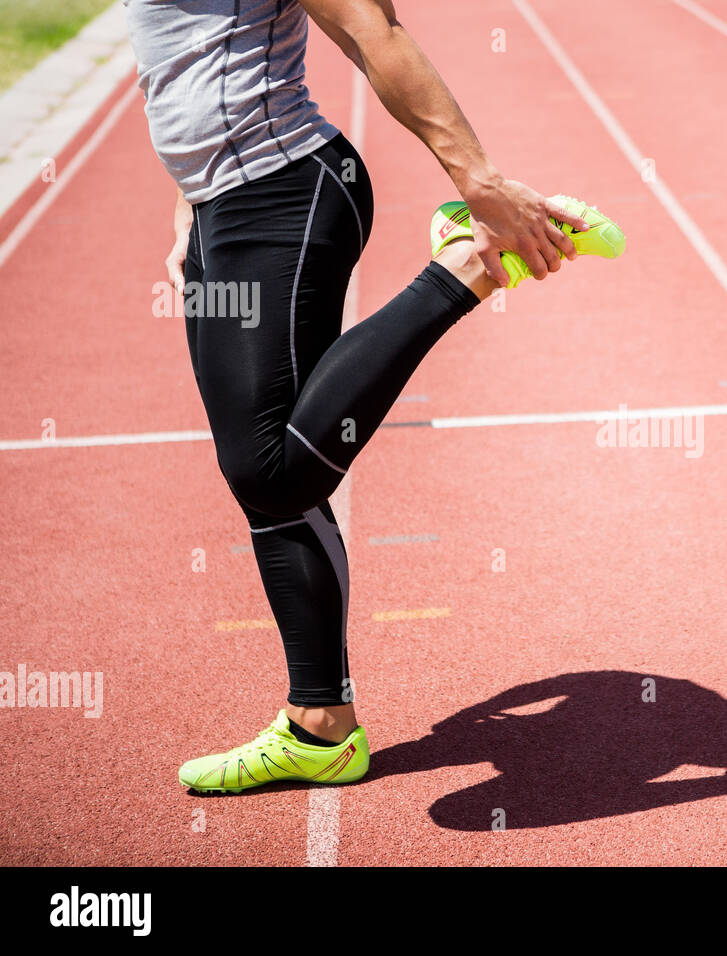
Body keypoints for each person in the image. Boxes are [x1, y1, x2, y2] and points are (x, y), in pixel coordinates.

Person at [122, 0, 624, 793]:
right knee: (270, 490)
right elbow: (182, 51)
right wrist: (189, 193)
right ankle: (320, 726)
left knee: (274, 470)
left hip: (285, 189)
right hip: (223, 206)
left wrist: (480, 183)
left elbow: (373, 29)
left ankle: (463, 267)